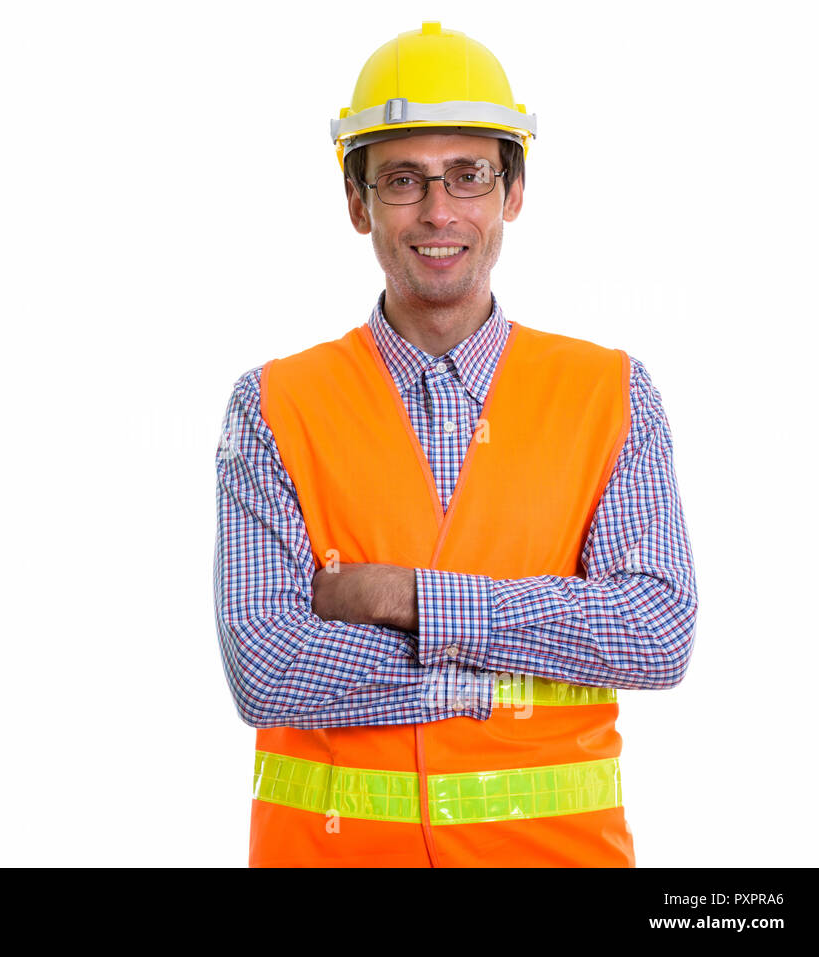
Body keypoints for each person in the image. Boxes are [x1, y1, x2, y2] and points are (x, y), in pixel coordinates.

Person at [212, 21, 697, 867]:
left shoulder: (612, 393)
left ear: (512, 191)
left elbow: (655, 632)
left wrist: (406, 596)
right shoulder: (273, 406)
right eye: (403, 179)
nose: (438, 211)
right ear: (358, 201)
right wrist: (488, 671)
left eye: (467, 175)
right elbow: (267, 664)